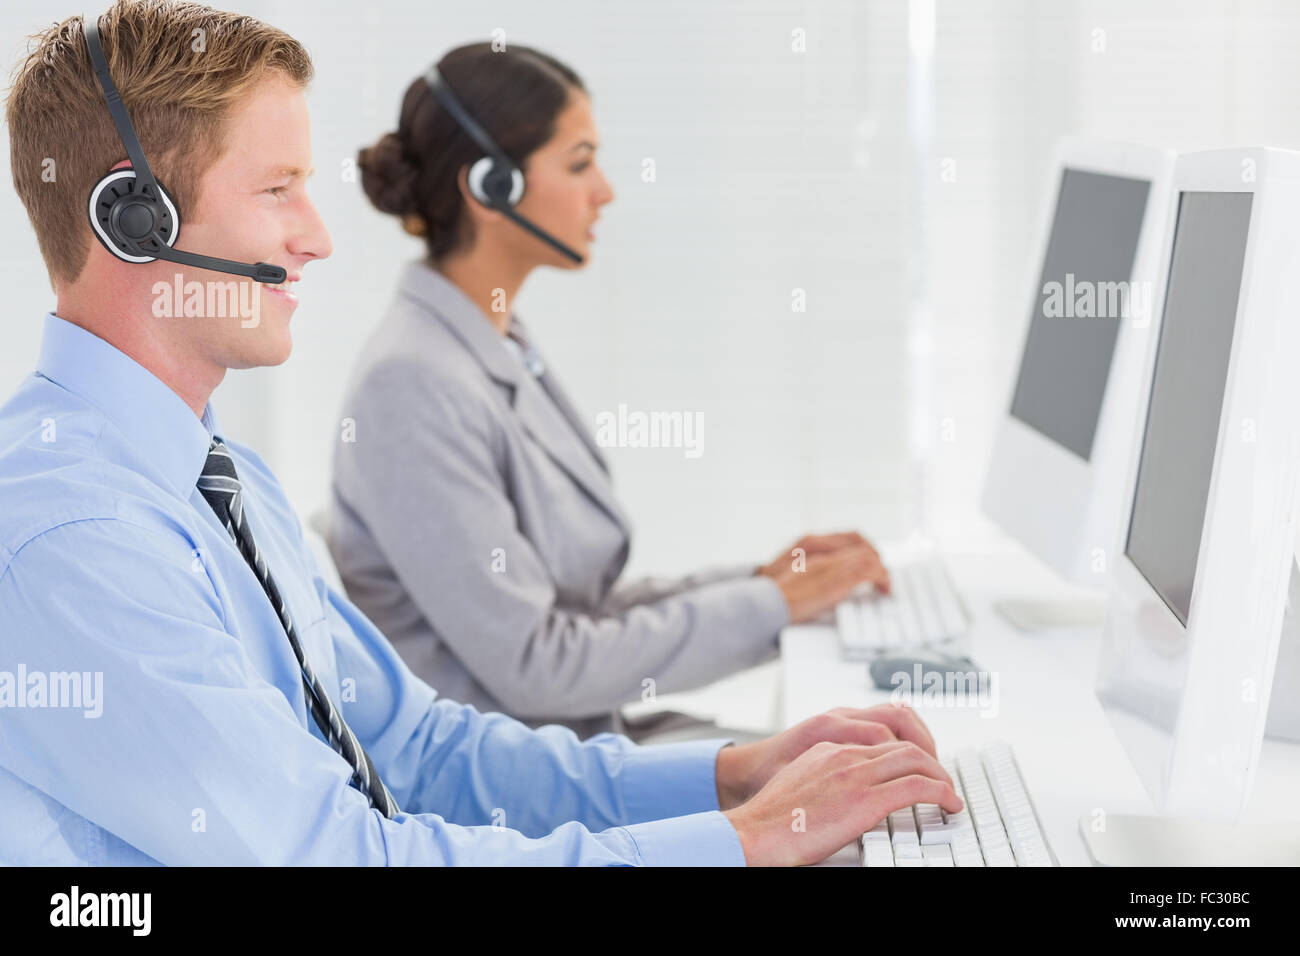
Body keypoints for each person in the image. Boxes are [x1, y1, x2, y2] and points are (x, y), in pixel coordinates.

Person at [0, 0, 960, 866]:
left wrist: (731, 779)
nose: (319, 236)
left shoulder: (221, 478)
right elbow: (331, 861)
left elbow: (419, 751)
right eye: (276, 189)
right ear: (134, 221)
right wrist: (739, 846)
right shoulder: (75, 539)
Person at [329, 42, 893, 738]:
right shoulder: (411, 384)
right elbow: (538, 661)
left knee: (867, 760)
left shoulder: (494, 339)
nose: (606, 190)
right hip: (523, 779)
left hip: (577, 738)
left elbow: (576, 608)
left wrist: (761, 584)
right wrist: (772, 604)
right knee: (861, 782)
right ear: (492, 186)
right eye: (579, 162)